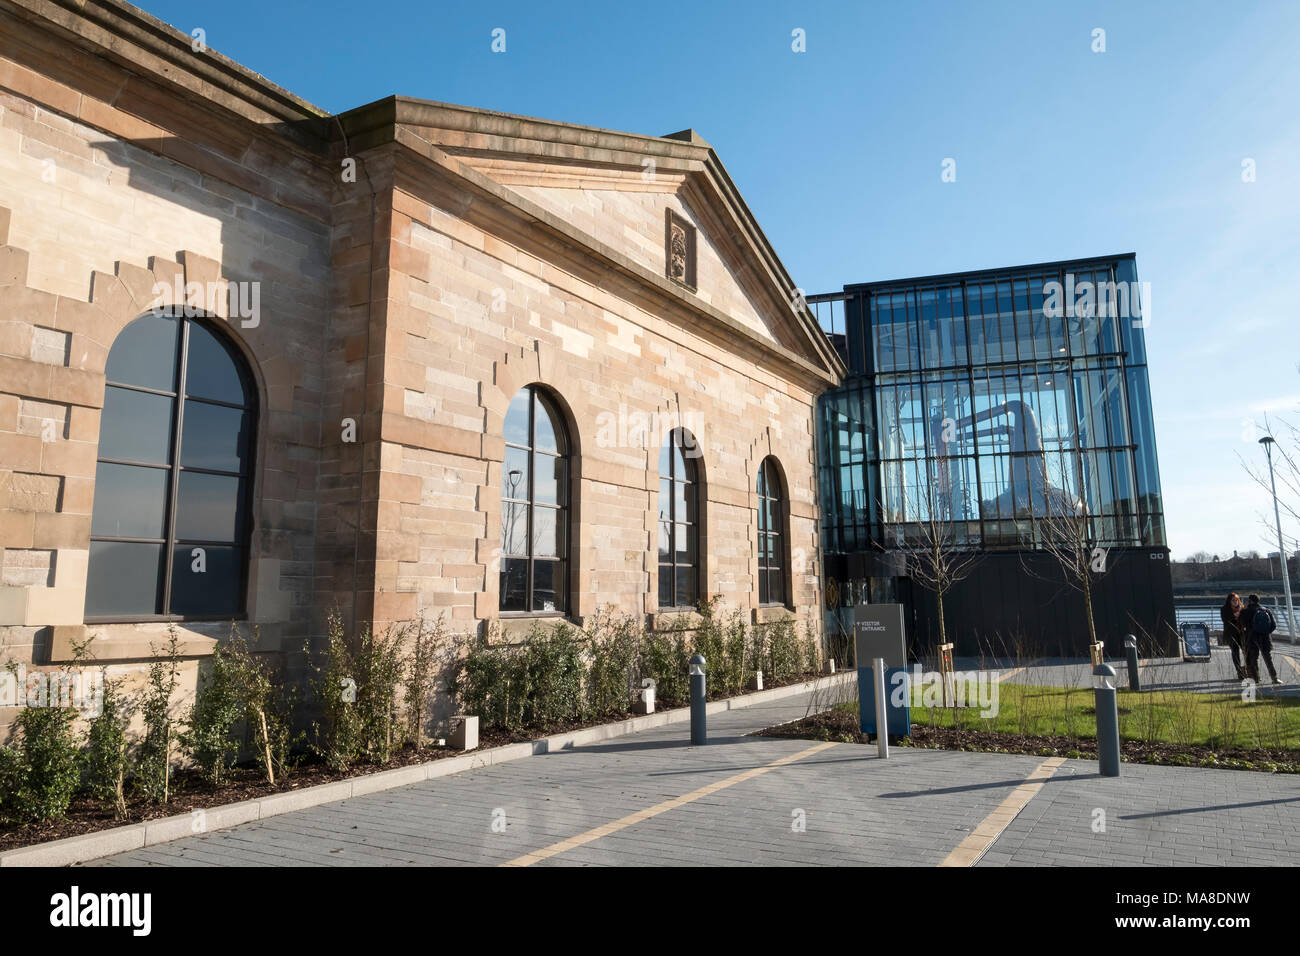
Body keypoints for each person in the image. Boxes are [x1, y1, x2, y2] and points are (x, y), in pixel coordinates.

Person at [1240, 594, 1282, 685]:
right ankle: (1274, 678)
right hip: (1265, 638)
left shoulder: (1247, 611)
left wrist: (1243, 609)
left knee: (1253, 659)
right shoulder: (1266, 610)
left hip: (1252, 638)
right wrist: (1265, 632)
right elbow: (1273, 625)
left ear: (1249, 601)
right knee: (1268, 658)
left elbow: (1241, 623)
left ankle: (1256, 678)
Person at [1219, 592, 1247, 680]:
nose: (1236, 602)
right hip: (1231, 634)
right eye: (1233, 600)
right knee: (1235, 653)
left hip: (1242, 633)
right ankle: (1239, 672)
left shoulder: (1242, 608)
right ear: (1229, 601)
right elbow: (1225, 620)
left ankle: (1248, 670)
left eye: (1237, 600)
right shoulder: (1224, 609)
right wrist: (1235, 616)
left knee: (1246, 652)